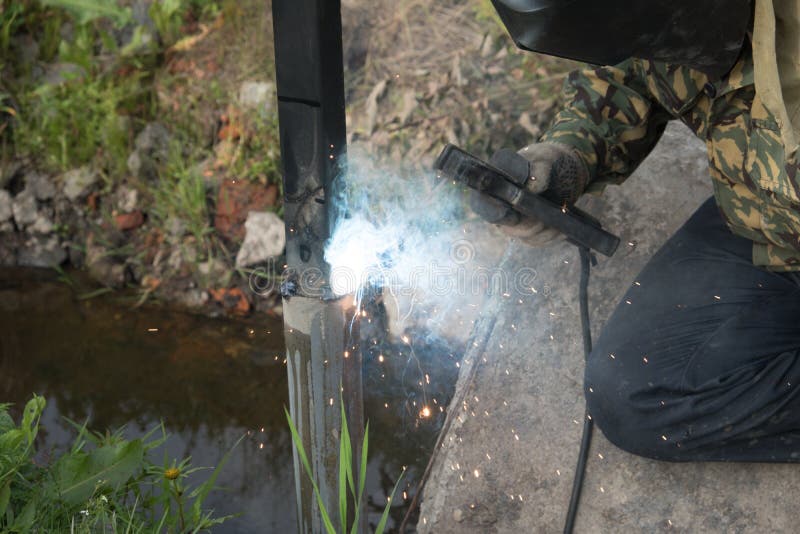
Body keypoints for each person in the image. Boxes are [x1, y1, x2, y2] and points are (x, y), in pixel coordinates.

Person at [473, 0, 800, 461]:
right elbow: (631, 72)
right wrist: (568, 158)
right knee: (631, 395)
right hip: (765, 223)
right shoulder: (663, 18)